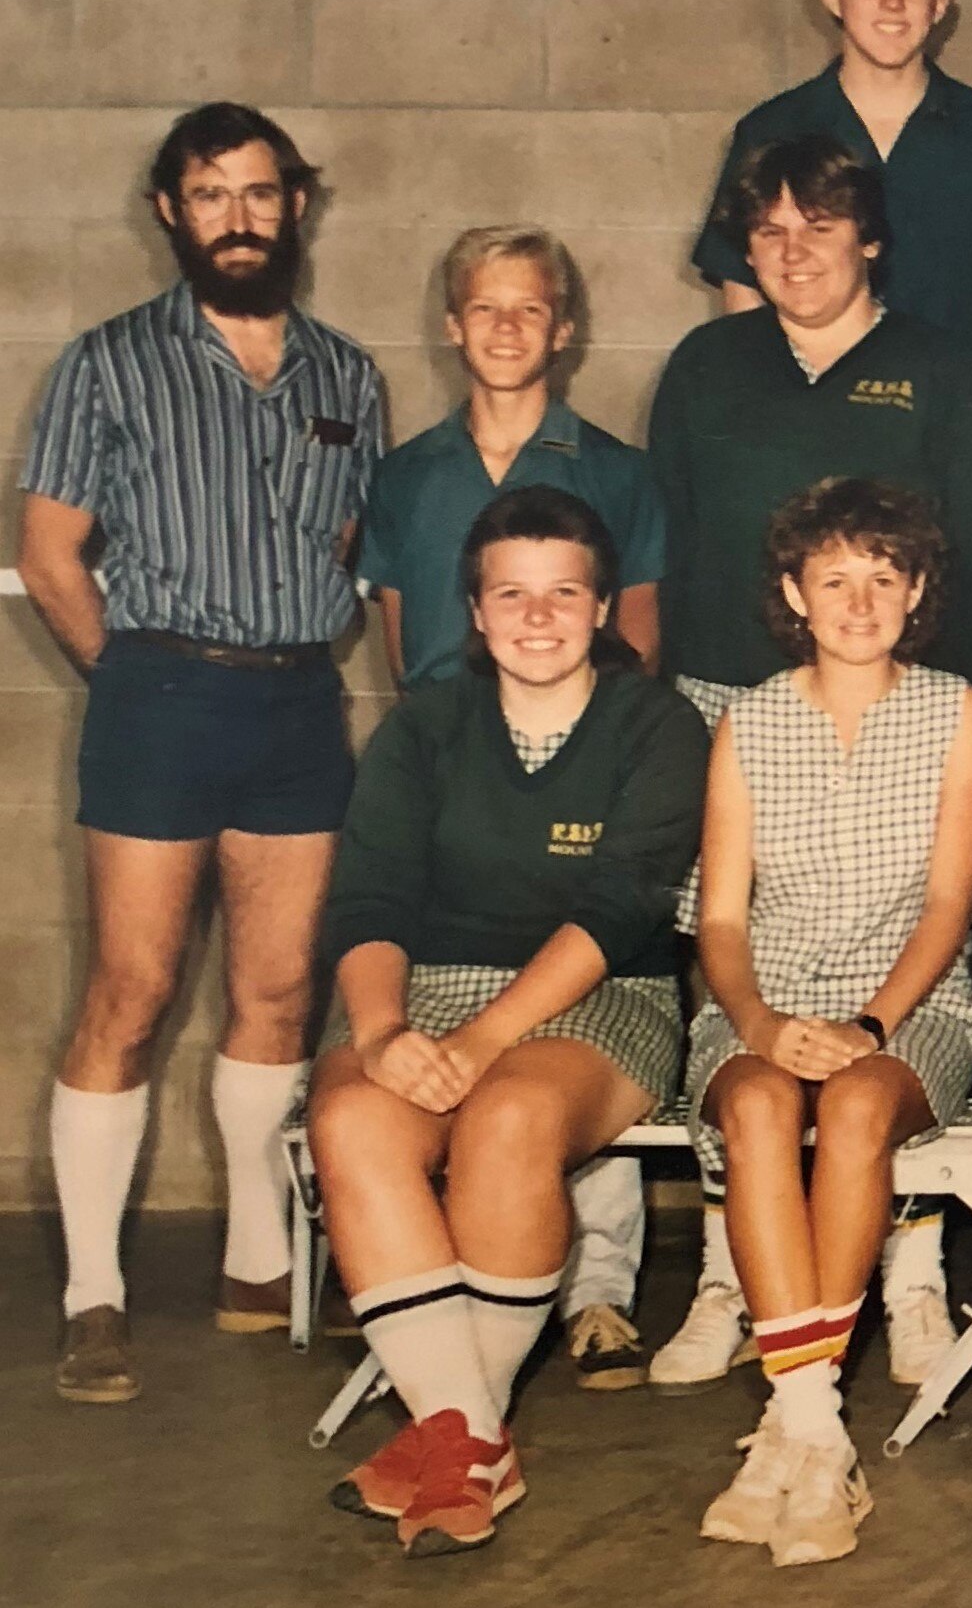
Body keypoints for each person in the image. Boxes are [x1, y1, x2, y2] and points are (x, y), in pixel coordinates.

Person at [646, 134, 972, 1395]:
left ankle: (909, 1278)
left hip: (917, 717)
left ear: (869, 237)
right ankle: (730, 1276)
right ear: (743, 249)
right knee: (741, 1006)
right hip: (737, 703)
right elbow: (669, 547)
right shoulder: (707, 365)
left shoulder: (942, 368)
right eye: (768, 231)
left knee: (898, 991)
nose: (794, 249)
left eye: (820, 225)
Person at [20, 103, 385, 1404]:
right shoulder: (106, 363)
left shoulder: (348, 376)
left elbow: (345, 555)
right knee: (131, 988)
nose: (240, 215)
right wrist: (132, 674)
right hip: (158, 693)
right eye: (211, 193)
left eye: (261, 192)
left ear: (297, 203)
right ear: (171, 212)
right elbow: (55, 553)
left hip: (296, 706)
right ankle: (93, 1296)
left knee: (281, 992)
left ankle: (251, 1261)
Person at [307, 486, 708, 1556]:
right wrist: (386, 1031)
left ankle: (448, 1433)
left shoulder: (659, 724)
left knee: (510, 1117)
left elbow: (622, 903)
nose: (538, 617)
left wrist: (483, 1042)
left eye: (564, 592)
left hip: (599, 992)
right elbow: (370, 896)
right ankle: (473, 1435)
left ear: (605, 605)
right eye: (511, 594)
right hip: (423, 988)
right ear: (475, 614)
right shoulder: (425, 724)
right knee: (351, 1120)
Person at [359, 226, 668, 1386]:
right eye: (482, 309)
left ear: (564, 327)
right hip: (459, 787)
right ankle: (444, 1308)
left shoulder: (616, 469)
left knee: (575, 1009)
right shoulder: (406, 473)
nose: (504, 329)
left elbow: (636, 637)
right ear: (451, 325)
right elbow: (405, 649)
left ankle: (599, 1289)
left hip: (581, 775)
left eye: (528, 309)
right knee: (453, 1047)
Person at [686, 479, 972, 1568]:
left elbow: (952, 905)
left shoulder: (959, 709)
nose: (858, 601)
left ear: (914, 591)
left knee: (860, 1104)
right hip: (763, 1002)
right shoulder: (749, 718)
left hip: (907, 1005)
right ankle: (812, 1424)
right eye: (833, 578)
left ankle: (794, 1430)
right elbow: (722, 915)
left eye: (881, 577)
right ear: (793, 592)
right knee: (761, 1108)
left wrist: (871, 1021)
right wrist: (762, 1022)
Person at [693, 0, 972, 390]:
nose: (891, 3)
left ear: (940, 3)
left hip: (957, 435)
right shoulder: (771, 132)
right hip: (815, 427)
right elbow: (742, 305)